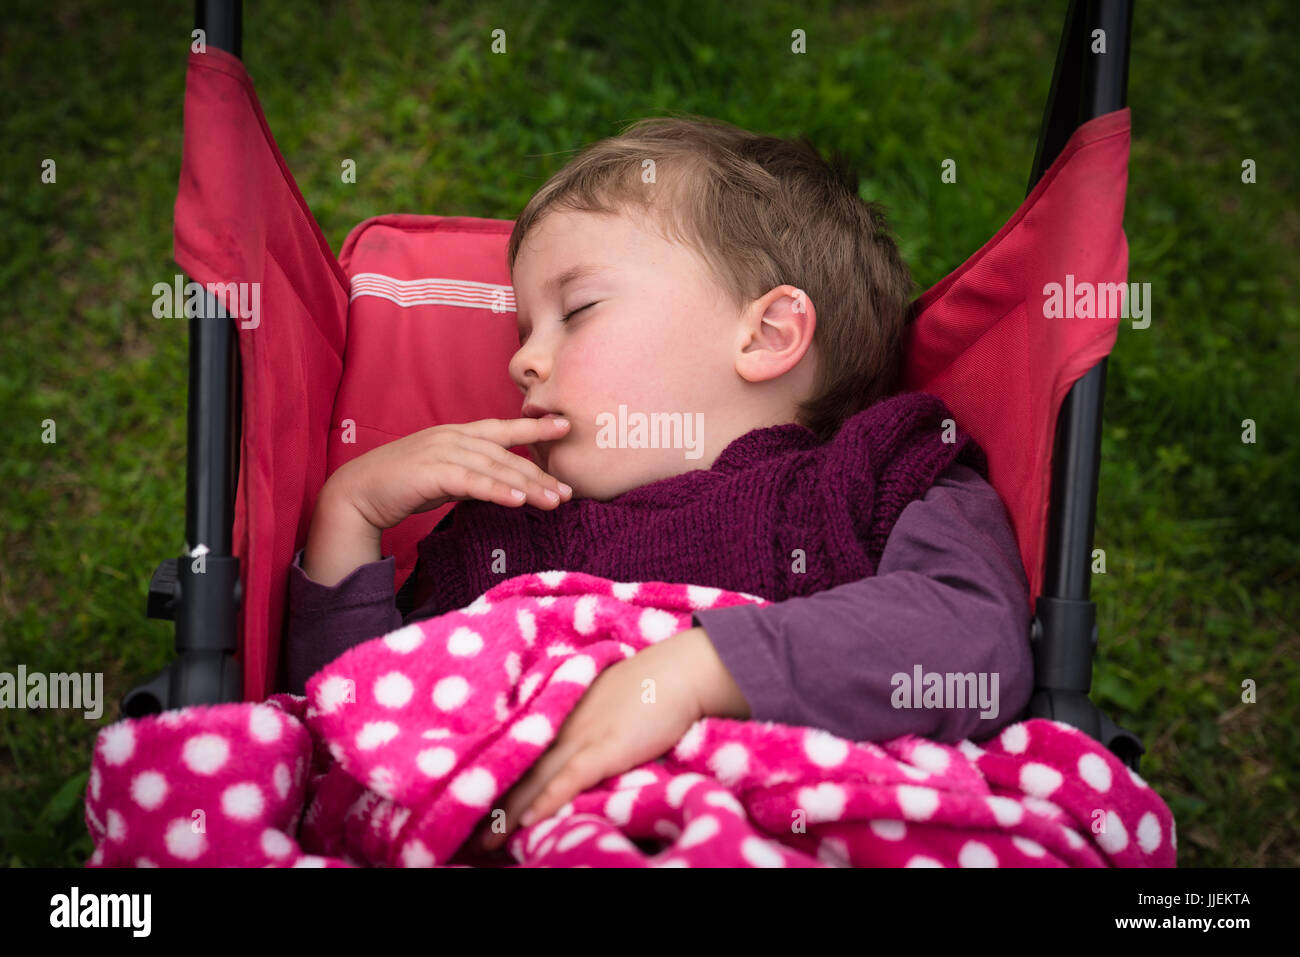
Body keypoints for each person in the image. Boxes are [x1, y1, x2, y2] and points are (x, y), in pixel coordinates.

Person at [284, 115, 1032, 854]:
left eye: (576, 311)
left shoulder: (871, 475)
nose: (523, 363)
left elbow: (973, 638)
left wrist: (698, 672)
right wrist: (349, 514)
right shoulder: (501, 532)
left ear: (767, 335)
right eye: (523, 333)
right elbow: (355, 738)